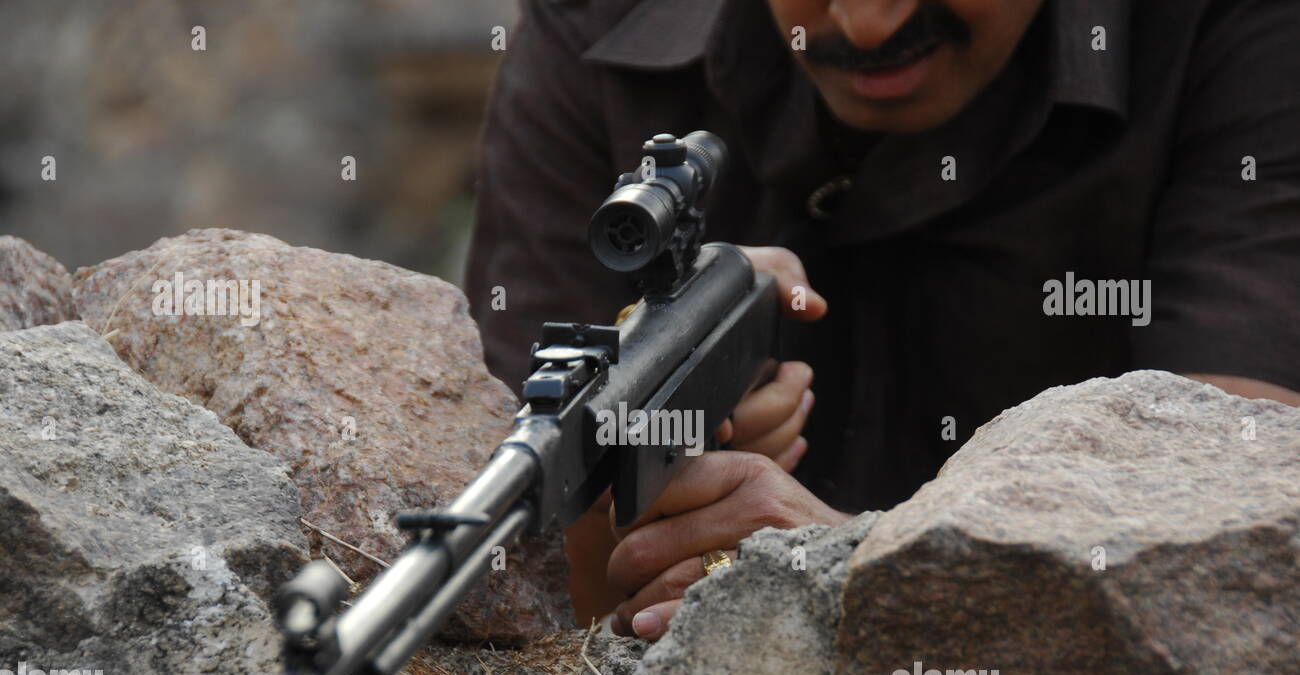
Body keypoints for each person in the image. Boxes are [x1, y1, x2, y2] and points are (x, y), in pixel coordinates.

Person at [466, 0, 1300, 639]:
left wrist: (861, 579)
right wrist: (646, 487)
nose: (867, 23)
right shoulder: (593, 24)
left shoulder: (1233, 31)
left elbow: (1241, 578)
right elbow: (517, 559)